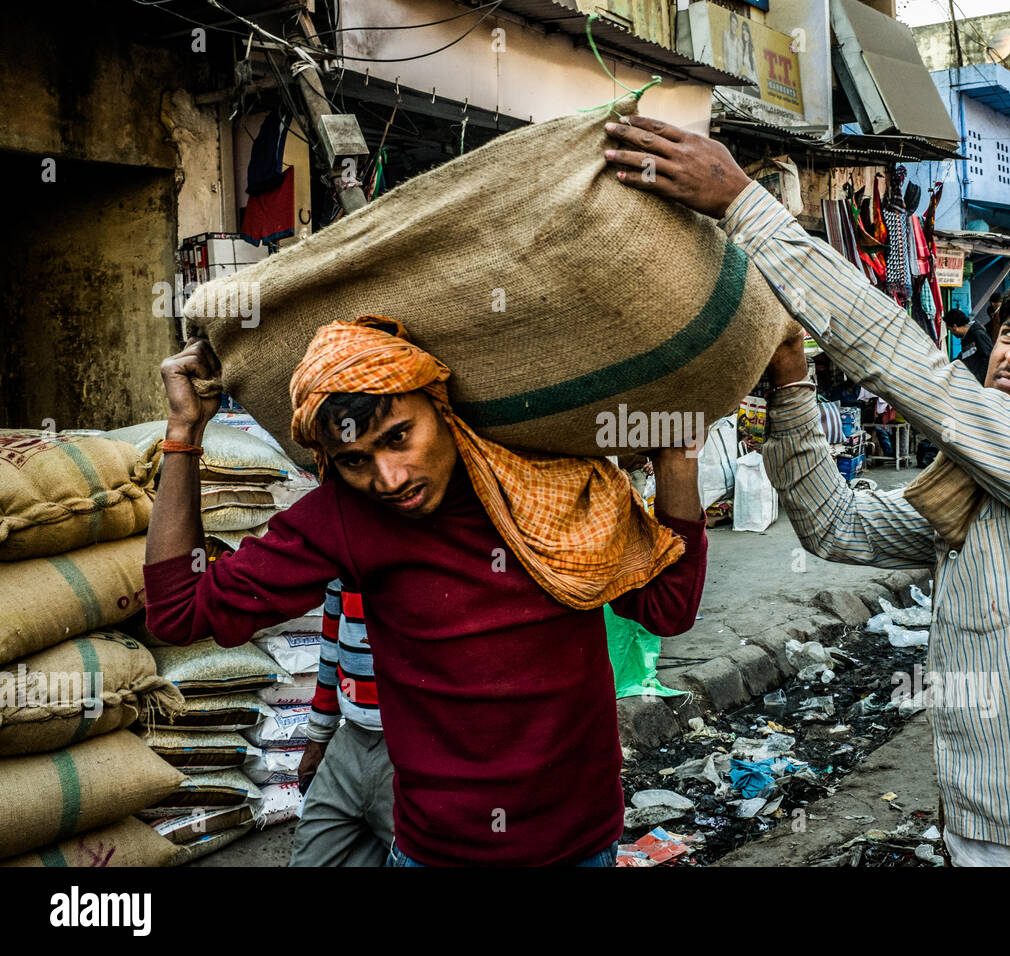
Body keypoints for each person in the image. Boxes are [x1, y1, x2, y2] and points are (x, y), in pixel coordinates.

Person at [603, 115, 1010, 867]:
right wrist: (792, 382)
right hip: (981, 821)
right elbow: (837, 525)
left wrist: (745, 204)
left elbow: (912, 370)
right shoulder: (984, 490)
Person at [144, 317, 707, 867]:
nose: (390, 479)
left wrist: (678, 460)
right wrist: (183, 432)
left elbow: (667, 608)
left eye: (399, 438)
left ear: (441, 406)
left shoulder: (547, 479)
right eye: (355, 460)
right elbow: (179, 611)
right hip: (436, 851)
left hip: (580, 842)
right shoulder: (346, 514)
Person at [289, 580, 394, 867]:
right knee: (309, 857)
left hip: (412, 741)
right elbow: (332, 637)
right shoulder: (346, 545)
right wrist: (319, 734)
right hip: (351, 737)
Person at [942, 308, 994, 385]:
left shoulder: (978, 334)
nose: (951, 333)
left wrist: (979, 380)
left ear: (954, 326)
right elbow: (965, 355)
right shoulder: (967, 337)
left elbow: (989, 358)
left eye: (950, 330)